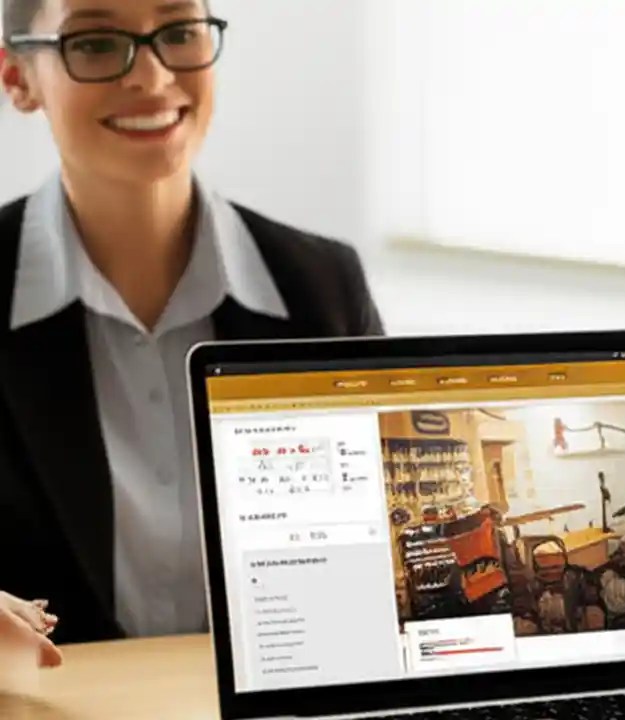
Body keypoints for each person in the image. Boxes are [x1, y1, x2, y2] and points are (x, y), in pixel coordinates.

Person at [0, 0, 384, 653]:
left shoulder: (322, 286)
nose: (151, 78)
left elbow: (382, 553)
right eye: (95, 42)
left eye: (178, 33)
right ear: (17, 78)